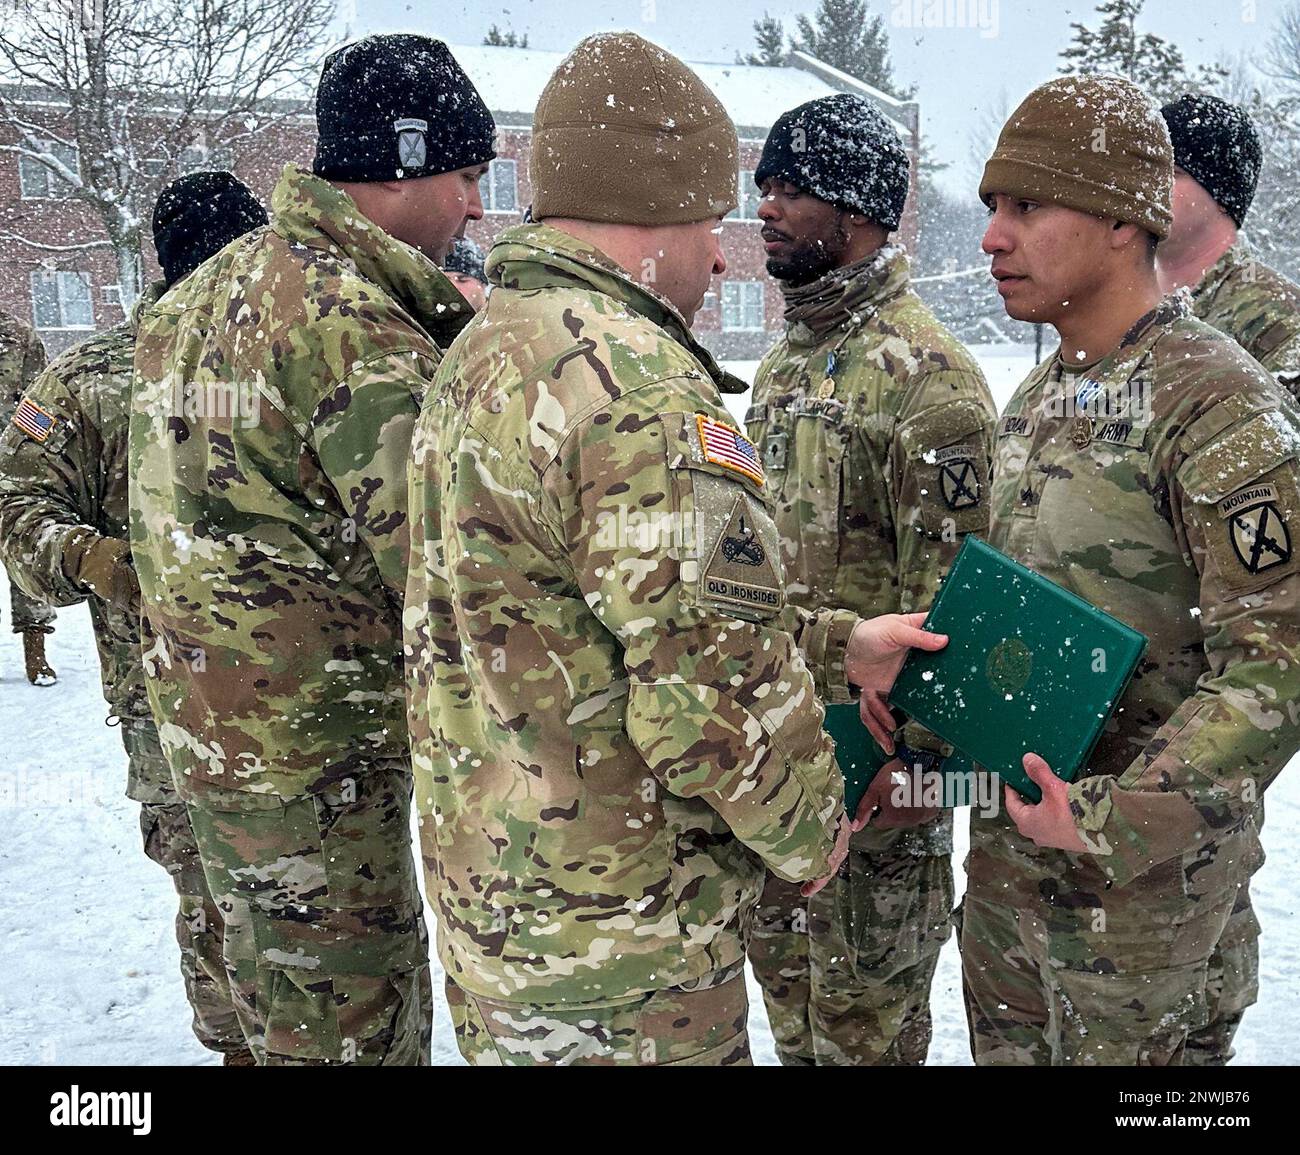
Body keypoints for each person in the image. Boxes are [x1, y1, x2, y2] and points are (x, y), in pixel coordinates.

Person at [405, 31, 945, 1067]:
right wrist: (807, 827)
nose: (720, 254)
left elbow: (586, 610)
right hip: (626, 953)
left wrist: (835, 641)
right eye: (711, 218)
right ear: (654, 208)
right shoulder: (639, 386)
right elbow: (707, 685)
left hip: (504, 922)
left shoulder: (490, 346)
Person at [128, 34, 494, 1065]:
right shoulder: (348, 321)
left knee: (280, 1016)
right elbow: (445, 564)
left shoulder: (196, 301)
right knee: (351, 1032)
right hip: (322, 772)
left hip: (217, 750)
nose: (474, 205)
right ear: (404, 160)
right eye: (467, 176)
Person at [964, 74, 1300, 1066]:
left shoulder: (1216, 405)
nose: (991, 237)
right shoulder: (1033, 400)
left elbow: (1275, 664)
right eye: (989, 208)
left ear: (1121, 222)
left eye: (1025, 207)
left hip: (1143, 924)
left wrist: (1109, 818)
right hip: (1007, 894)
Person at [743, 93, 995, 1066]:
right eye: (761, 186)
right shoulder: (779, 369)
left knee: (864, 1044)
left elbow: (955, 622)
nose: (764, 207)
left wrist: (916, 773)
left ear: (857, 212)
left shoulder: (925, 381)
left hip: (881, 808)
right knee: (796, 1036)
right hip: (779, 781)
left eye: (790, 189)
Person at [0, 171, 268, 1065]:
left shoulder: (298, 360)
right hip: (173, 706)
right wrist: (104, 564)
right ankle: (240, 1051)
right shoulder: (94, 380)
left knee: (334, 902)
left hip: (322, 699)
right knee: (212, 894)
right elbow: (16, 511)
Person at [1156, 92, 1300, 1066]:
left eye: (1148, 167)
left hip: (1213, 713)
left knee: (1182, 994)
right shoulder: (1125, 324)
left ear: (1201, 187)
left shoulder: (1271, 330)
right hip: (1114, 703)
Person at [1157, 93, 1299, 401]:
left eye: (1173, 173)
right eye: (1145, 170)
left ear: (1222, 196)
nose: (1149, 185)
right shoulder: (1122, 304)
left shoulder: (1276, 315)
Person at [0, 307, 56, 683]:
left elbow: (43, 398)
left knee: (24, 555)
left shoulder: (17, 334)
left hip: (11, 465)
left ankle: (35, 655)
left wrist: (39, 452)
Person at [443, 236, 488, 311]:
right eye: (445, 281)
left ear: (482, 284)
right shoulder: (425, 319)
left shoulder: (507, 317)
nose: (453, 286)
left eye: (462, 280)